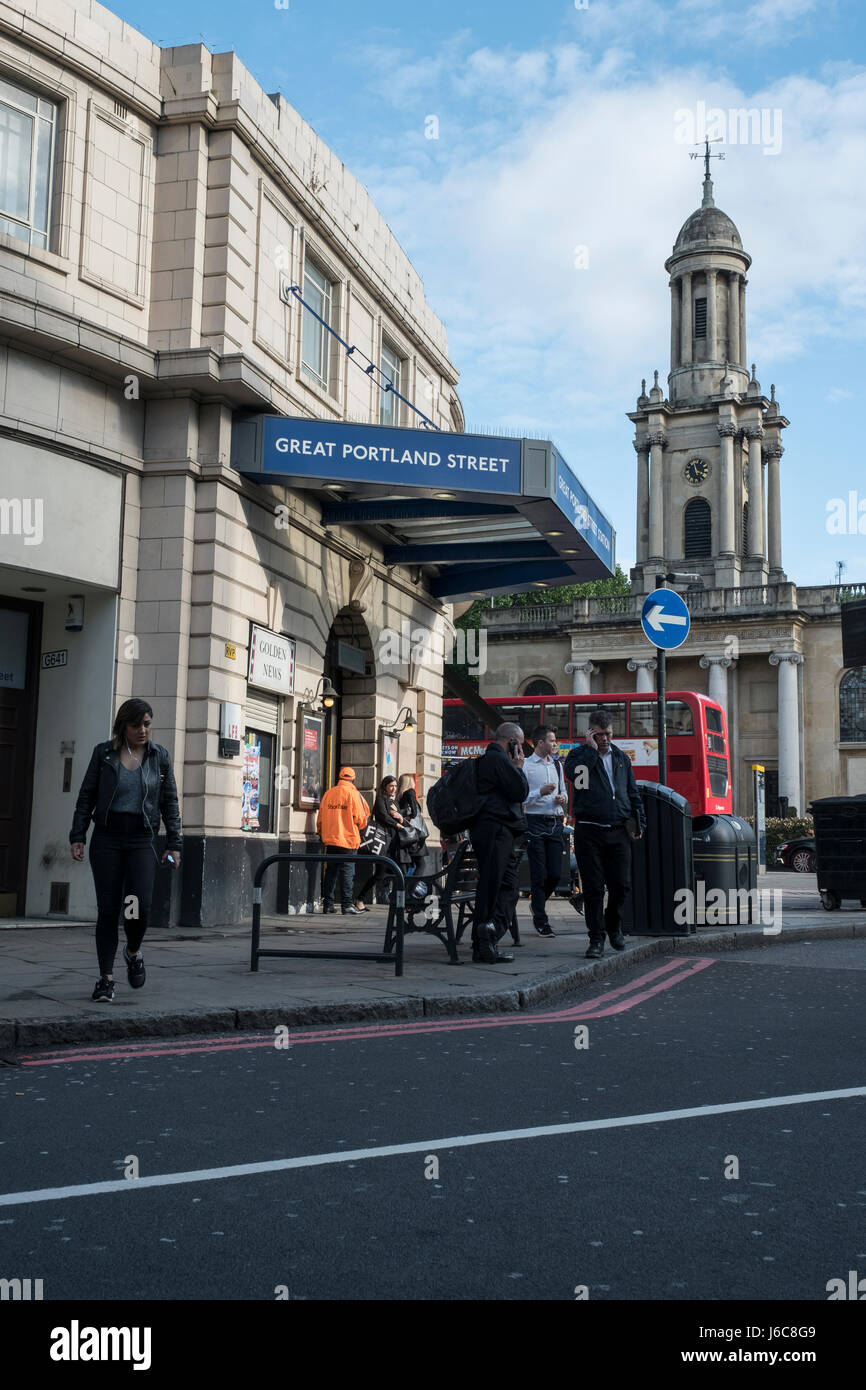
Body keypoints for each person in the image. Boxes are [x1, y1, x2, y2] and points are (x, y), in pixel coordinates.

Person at [69, 698, 182, 1003]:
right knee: (108, 910)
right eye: (136, 725)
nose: (143, 730)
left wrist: (174, 844)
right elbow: (86, 797)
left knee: (137, 906)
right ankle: (105, 979)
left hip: (141, 841)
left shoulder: (159, 757)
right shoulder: (104, 754)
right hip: (107, 839)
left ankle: (132, 950)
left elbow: (169, 802)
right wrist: (77, 834)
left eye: (147, 724)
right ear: (123, 727)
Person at [563, 710, 645, 960]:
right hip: (589, 830)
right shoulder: (578, 756)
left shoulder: (621, 758)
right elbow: (578, 782)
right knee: (593, 888)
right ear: (590, 733)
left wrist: (638, 821)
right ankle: (596, 938)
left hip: (618, 830)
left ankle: (613, 925)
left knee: (622, 885)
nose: (606, 739)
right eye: (600, 735)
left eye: (609, 734)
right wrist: (590, 752)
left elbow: (631, 792)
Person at [468, 722, 529, 964]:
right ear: (511, 742)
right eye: (520, 744)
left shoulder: (490, 760)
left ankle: (489, 932)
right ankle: (485, 940)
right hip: (495, 831)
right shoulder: (498, 759)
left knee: (506, 885)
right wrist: (519, 767)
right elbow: (520, 791)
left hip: (493, 831)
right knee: (492, 887)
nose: (522, 750)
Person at [523, 724, 569, 937]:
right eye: (552, 741)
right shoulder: (525, 766)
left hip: (555, 822)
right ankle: (541, 920)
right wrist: (539, 792)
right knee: (539, 874)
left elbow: (565, 794)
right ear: (540, 743)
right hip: (533, 822)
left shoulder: (557, 765)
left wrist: (562, 799)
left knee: (555, 873)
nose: (555, 744)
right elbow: (520, 798)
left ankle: (537, 902)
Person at [316, 767, 369, 914]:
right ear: (353, 779)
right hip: (348, 839)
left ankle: (328, 905)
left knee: (330, 873)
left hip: (331, 839)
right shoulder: (354, 794)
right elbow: (362, 818)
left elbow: (320, 819)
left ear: (339, 777)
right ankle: (346, 905)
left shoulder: (328, 794)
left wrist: (322, 832)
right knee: (347, 873)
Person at [353, 776, 403, 909]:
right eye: (391, 786)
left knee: (398, 871)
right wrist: (396, 823)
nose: (394, 789)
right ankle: (360, 899)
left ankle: (398, 901)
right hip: (381, 840)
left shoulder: (394, 802)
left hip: (393, 842)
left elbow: (401, 817)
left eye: (395, 786)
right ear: (385, 786)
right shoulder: (381, 800)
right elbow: (383, 816)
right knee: (381, 873)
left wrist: (400, 817)